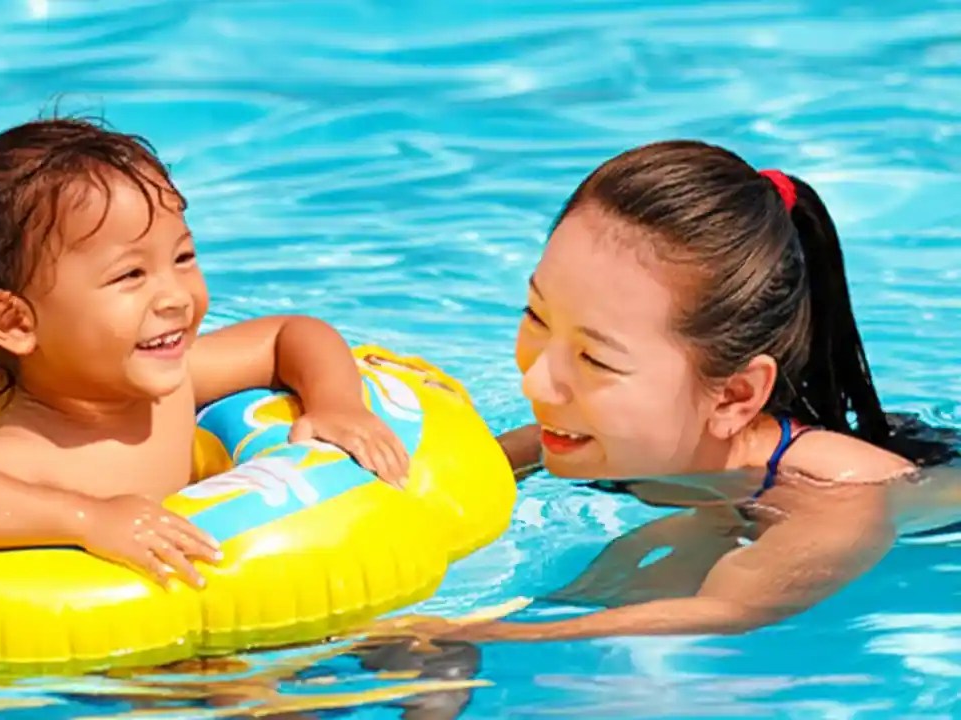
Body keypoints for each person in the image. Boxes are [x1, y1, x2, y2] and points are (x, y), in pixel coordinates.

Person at [366, 139, 959, 644]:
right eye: (537, 316)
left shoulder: (839, 500)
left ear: (733, 397)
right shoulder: (618, 429)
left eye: (594, 358)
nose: (536, 379)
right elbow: (464, 471)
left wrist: (479, 634)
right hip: (721, 489)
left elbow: (725, 613)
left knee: (638, 582)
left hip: (879, 521)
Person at [0, 117, 410, 590]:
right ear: (15, 322)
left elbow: (289, 336)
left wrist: (336, 402)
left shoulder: (173, 382)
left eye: (183, 257)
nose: (175, 296)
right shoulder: (34, 451)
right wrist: (87, 518)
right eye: (130, 275)